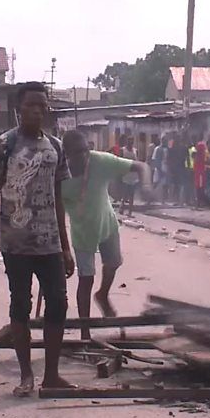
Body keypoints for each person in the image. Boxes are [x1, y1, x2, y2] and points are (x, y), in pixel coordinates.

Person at [0, 82, 75, 396]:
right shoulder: (2, 146)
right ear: (18, 109)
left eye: (42, 105)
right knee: (20, 304)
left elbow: (58, 198)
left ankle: (51, 375)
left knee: (58, 304)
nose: (38, 110)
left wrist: (66, 245)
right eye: (31, 105)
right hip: (15, 242)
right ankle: (25, 375)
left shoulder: (56, 148)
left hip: (50, 243)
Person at [61, 130, 148, 339]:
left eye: (85, 151)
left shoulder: (99, 161)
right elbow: (55, 213)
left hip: (106, 224)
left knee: (114, 263)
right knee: (85, 279)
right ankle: (85, 331)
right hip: (82, 232)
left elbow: (140, 166)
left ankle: (103, 295)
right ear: (67, 155)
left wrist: (146, 185)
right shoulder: (60, 177)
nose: (83, 157)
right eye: (76, 153)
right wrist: (62, 248)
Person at [120, 136, 139, 216]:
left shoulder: (135, 151)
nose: (131, 143)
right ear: (127, 142)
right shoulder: (123, 150)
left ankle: (130, 212)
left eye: (132, 141)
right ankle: (122, 207)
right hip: (126, 174)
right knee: (125, 193)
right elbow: (119, 161)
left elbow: (137, 161)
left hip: (133, 175)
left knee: (132, 194)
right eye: (129, 141)